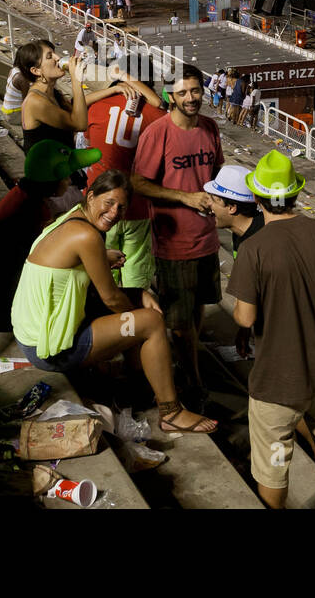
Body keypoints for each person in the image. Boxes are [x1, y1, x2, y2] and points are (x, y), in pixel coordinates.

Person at [10, 169, 217, 432]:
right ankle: (171, 413)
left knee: (138, 311)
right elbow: (110, 297)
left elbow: (81, 274)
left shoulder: (71, 218)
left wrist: (137, 294)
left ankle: (139, 384)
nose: (114, 212)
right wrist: (140, 317)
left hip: (33, 332)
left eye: (121, 207)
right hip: (48, 346)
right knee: (151, 322)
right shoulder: (86, 236)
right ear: (91, 196)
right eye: (109, 203)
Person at [227, 151, 315, 509]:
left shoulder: (253, 248)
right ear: (295, 194)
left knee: (274, 466)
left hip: (276, 383)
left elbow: (244, 318)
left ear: (256, 199)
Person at [131, 64, 223, 400]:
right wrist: (184, 196)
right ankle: (193, 384)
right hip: (174, 243)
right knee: (181, 324)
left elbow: (216, 170)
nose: (190, 98)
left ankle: (191, 364)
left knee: (198, 309)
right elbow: (138, 182)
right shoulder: (158, 132)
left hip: (207, 238)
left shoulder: (211, 128)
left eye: (195, 90)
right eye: (182, 92)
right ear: (170, 95)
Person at [0, 140, 101, 332]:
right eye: (67, 177)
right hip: (6, 312)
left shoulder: (25, 196)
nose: (69, 181)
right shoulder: (30, 210)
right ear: (55, 179)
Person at [82, 68, 167, 296]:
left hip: (98, 205)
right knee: (136, 275)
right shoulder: (159, 117)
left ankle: (107, 320)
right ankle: (133, 319)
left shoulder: (96, 107)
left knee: (100, 270)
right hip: (138, 207)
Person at [15, 40, 123, 153]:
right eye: (49, 56)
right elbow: (80, 124)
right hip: (48, 168)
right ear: (36, 71)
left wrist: (113, 89)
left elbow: (76, 106)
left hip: (64, 162)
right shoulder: (35, 101)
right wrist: (76, 79)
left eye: (54, 53)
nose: (57, 58)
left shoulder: (53, 92)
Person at [204, 164, 264, 259]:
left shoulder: (262, 244)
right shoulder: (239, 232)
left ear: (231, 208)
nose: (207, 204)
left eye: (213, 200)